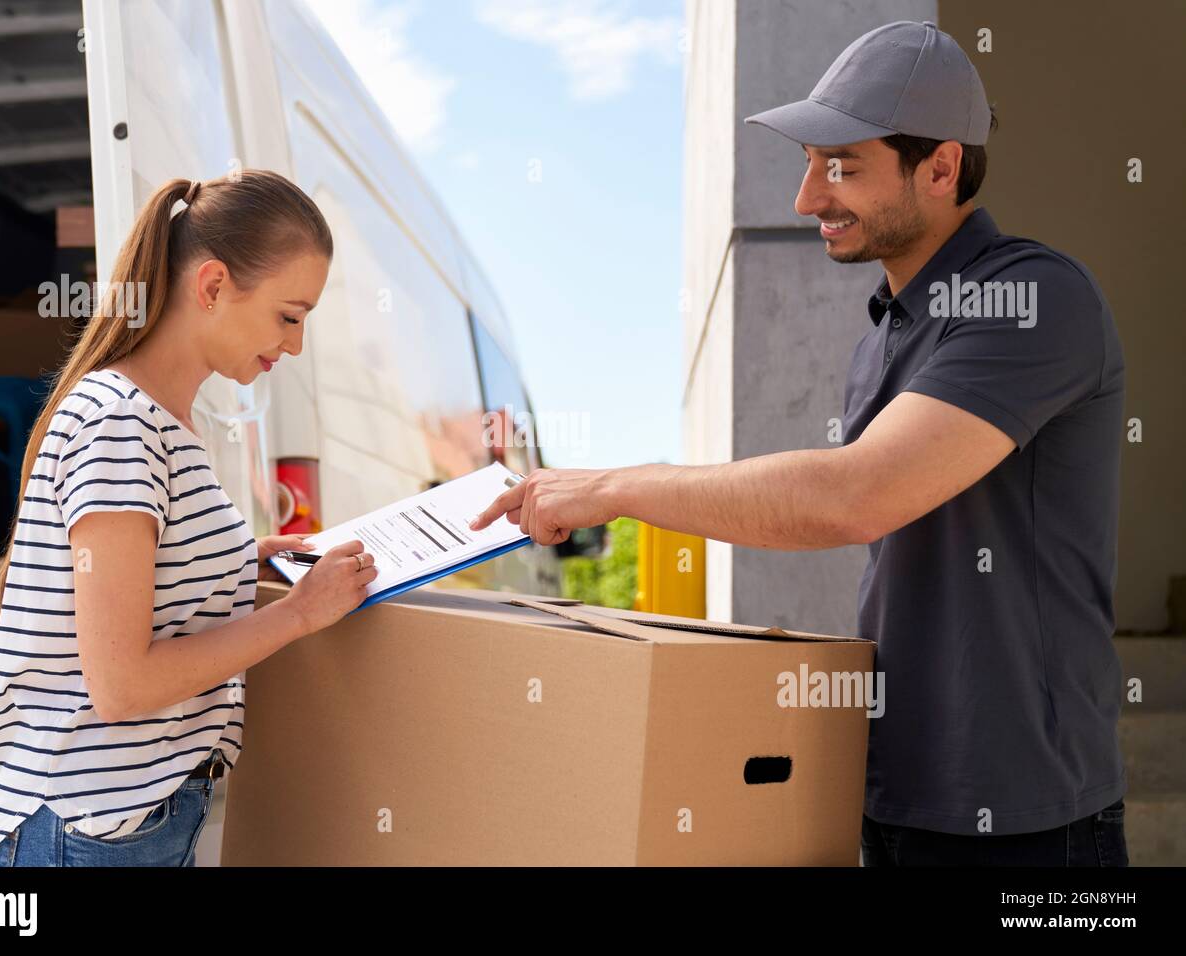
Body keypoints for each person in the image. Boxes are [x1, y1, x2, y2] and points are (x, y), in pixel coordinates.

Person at [471, 21, 1129, 866]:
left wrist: (613, 488)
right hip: (898, 794)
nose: (808, 197)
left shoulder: (1034, 299)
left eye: (844, 167)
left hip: (1032, 822)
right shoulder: (888, 334)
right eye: (812, 164)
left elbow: (853, 495)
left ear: (941, 167)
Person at [0, 170, 377, 866]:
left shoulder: (165, 424)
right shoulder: (121, 423)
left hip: (119, 828)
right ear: (213, 287)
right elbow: (122, 683)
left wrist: (248, 561)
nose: (296, 346)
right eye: (289, 315)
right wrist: (300, 614)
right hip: (82, 834)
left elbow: (150, 594)